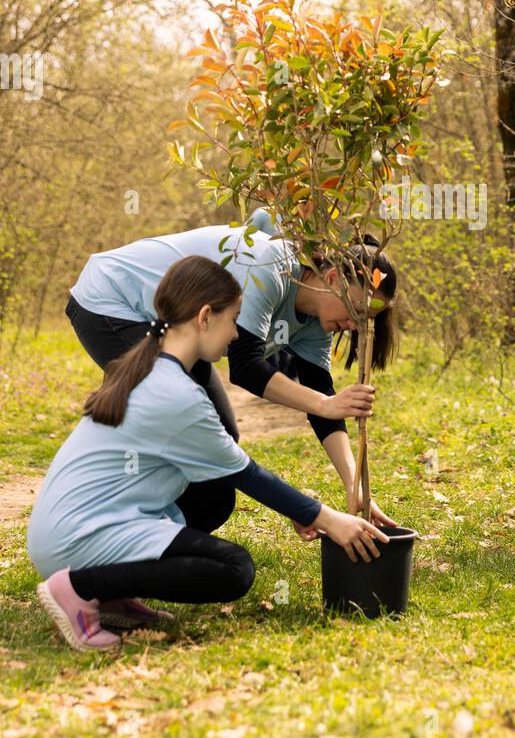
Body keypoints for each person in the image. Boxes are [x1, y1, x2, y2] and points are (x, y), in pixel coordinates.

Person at [28, 256, 389, 653]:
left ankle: (112, 596)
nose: (236, 334)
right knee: (234, 570)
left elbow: (229, 470)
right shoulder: (177, 394)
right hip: (76, 540)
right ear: (204, 317)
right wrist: (328, 519)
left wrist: (302, 512)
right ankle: (79, 588)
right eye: (233, 319)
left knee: (213, 495)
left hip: (72, 529)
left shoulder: (150, 366)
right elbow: (247, 473)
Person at [65, 221, 397, 527]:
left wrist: (354, 485)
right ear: (335, 280)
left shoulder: (315, 324)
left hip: (177, 329)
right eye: (356, 309)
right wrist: (325, 406)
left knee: (220, 438)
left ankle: (161, 539)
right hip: (115, 299)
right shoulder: (272, 266)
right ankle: (106, 524)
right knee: (180, 423)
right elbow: (246, 367)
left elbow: (322, 400)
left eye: (364, 319)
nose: (354, 325)